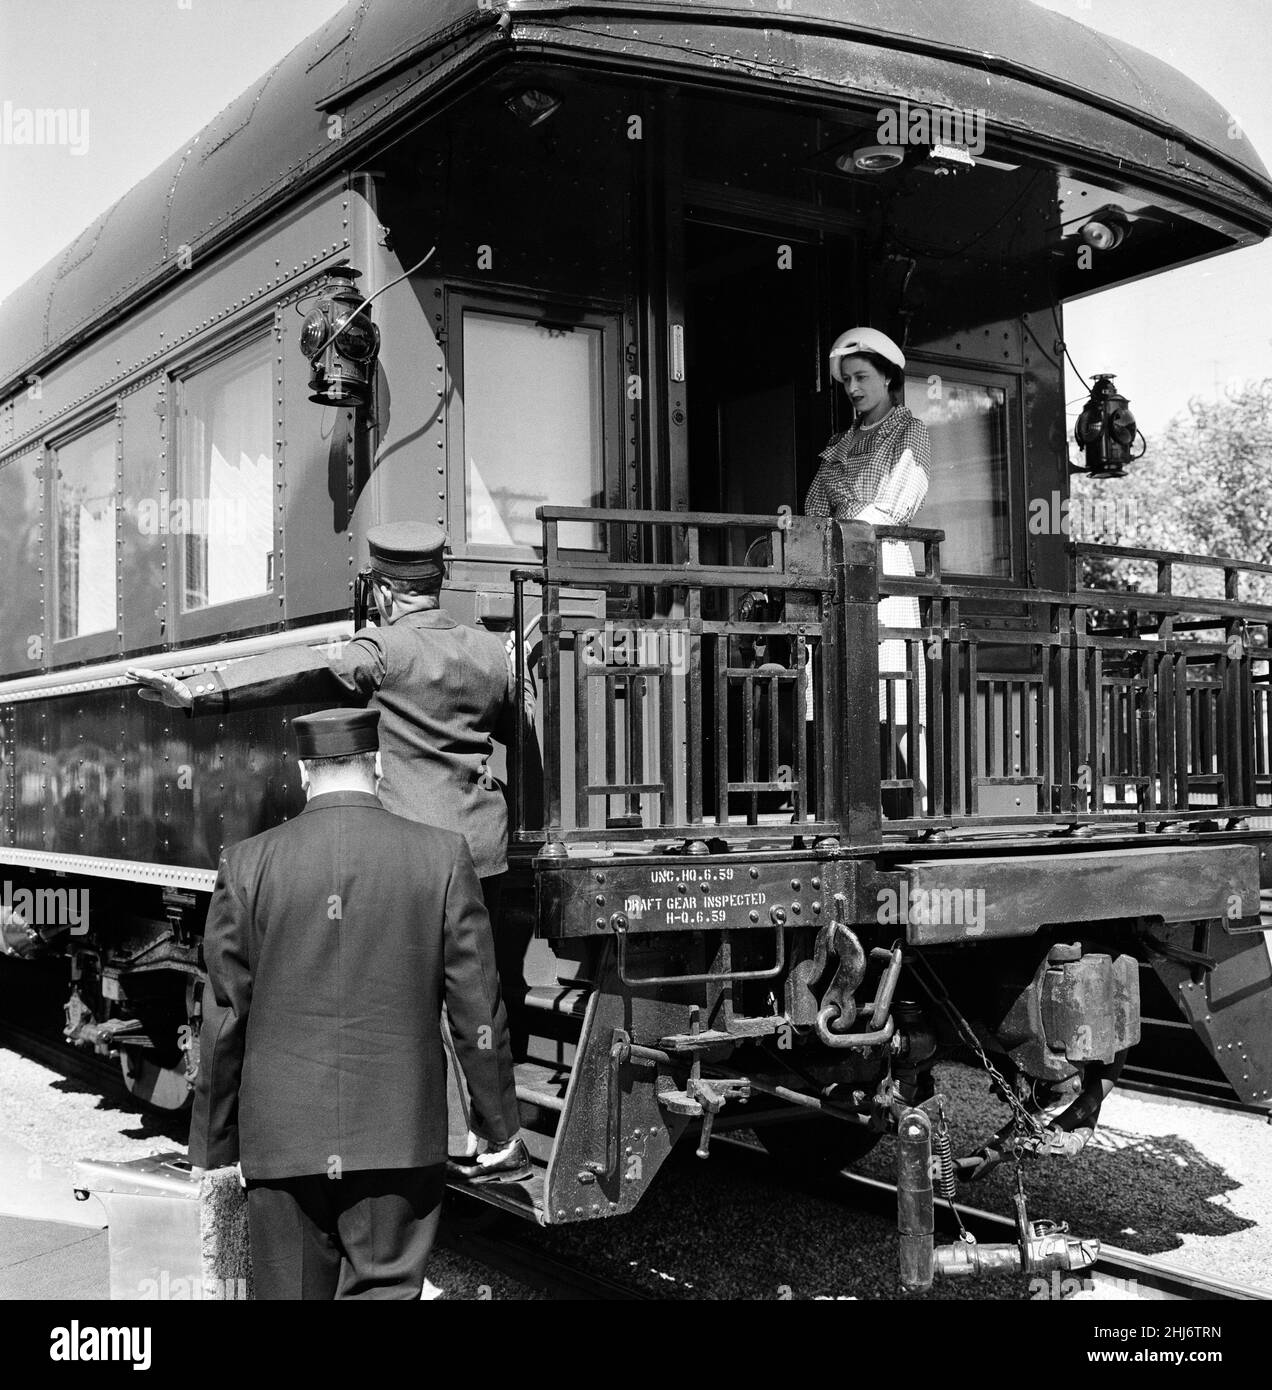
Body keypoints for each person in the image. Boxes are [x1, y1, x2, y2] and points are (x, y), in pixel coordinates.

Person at [128, 521, 536, 1154]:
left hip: (413, 858)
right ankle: (496, 1132)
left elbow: (302, 669)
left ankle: (414, 1142)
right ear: (437, 582)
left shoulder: (382, 650)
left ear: (384, 591)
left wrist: (198, 691)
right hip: (484, 852)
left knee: (404, 1008)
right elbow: (523, 732)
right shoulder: (489, 653)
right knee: (483, 998)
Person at [187, 707, 527, 1300]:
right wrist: (498, 1126)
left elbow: (223, 1020)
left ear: (301, 770)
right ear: (377, 765)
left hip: (281, 1144)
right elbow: (478, 1007)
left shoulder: (246, 865)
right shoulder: (442, 856)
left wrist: (213, 1149)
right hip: (398, 1139)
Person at [803, 327, 932, 813]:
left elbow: (896, 506)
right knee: (837, 685)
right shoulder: (839, 442)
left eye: (861, 377)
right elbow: (814, 505)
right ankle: (842, 807)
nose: (853, 389)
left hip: (883, 566)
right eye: (846, 381)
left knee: (887, 687)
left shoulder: (909, 432)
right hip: (835, 570)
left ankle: (903, 806)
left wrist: (846, 518)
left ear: (887, 376)